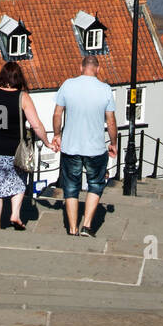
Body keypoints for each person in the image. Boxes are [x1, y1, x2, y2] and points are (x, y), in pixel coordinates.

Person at [0, 61, 51, 231]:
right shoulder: (23, 97)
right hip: (15, 148)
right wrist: (47, 142)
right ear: (19, 78)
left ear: (2, 77)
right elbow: (36, 125)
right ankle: (15, 214)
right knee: (19, 182)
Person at [51, 55, 118, 236]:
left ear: (81, 67)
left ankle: (72, 228)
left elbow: (57, 114)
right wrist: (113, 143)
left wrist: (57, 135)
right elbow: (110, 121)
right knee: (95, 184)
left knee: (71, 187)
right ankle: (87, 225)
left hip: (71, 146)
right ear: (98, 69)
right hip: (95, 148)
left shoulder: (68, 85)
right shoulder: (105, 90)